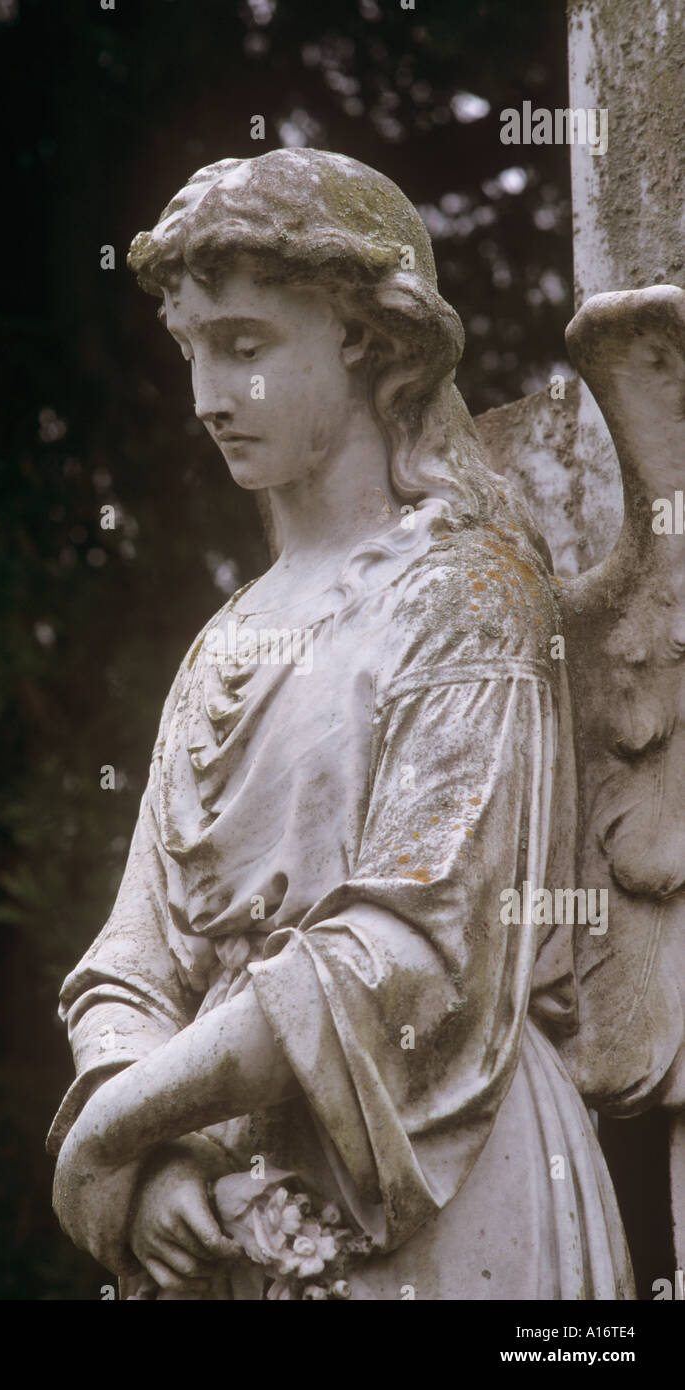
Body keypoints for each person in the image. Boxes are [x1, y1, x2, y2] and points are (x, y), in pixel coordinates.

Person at [47, 149, 634, 1300]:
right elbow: (129, 961)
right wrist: (151, 1151)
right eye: (193, 352)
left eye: (246, 346)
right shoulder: (224, 642)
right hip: (228, 1202)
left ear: (370, 342)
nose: (208, 393)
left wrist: (122, 1123)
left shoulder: (465, 596)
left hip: (446, 1185)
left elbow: (413, 952)